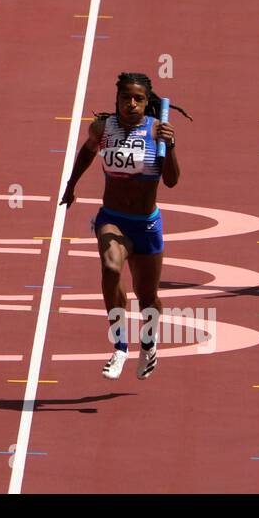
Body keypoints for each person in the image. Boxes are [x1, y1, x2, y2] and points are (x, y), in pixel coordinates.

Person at [61, 74, 187, 380]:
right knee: (111, 268)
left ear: (147, 102)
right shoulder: (103, 128)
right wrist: (71, 184)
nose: (131, 104)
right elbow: (88, 151)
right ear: (116, 100)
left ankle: (149, 344)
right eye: (125, 98)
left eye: (138, 99)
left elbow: (171, 181)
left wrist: (170, 147)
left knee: (148, 297)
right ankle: (119, 346)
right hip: (113, 219)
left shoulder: (158, 131)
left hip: (146, 225)